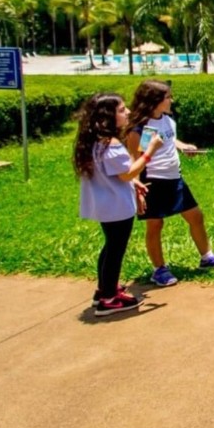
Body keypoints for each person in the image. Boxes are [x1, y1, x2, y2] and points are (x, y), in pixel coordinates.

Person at [126, 80, 214, 287]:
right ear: (155, 101)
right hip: (153, 181)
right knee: (155, 225)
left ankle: (207, 257)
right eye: (168, 97)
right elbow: (135, 158)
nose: (171, 100)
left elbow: (170, 139)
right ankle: (159, 269)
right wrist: (137, 187)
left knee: (196, 216)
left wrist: (183, 146)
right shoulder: (143, 128)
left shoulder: (167, 119)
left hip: (175, 178)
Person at [74, 93, 162, 317]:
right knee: (115, 250)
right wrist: (150, 150)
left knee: (110, 247)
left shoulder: (94, 142)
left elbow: (116, 173)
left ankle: (104, 289)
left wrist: (134, 182)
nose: (128, 113)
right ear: (108, 116)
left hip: (105, 205)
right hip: (116, 207)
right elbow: (127, 172)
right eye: (122, 110)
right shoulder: (110, 145)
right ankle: (109, 299)